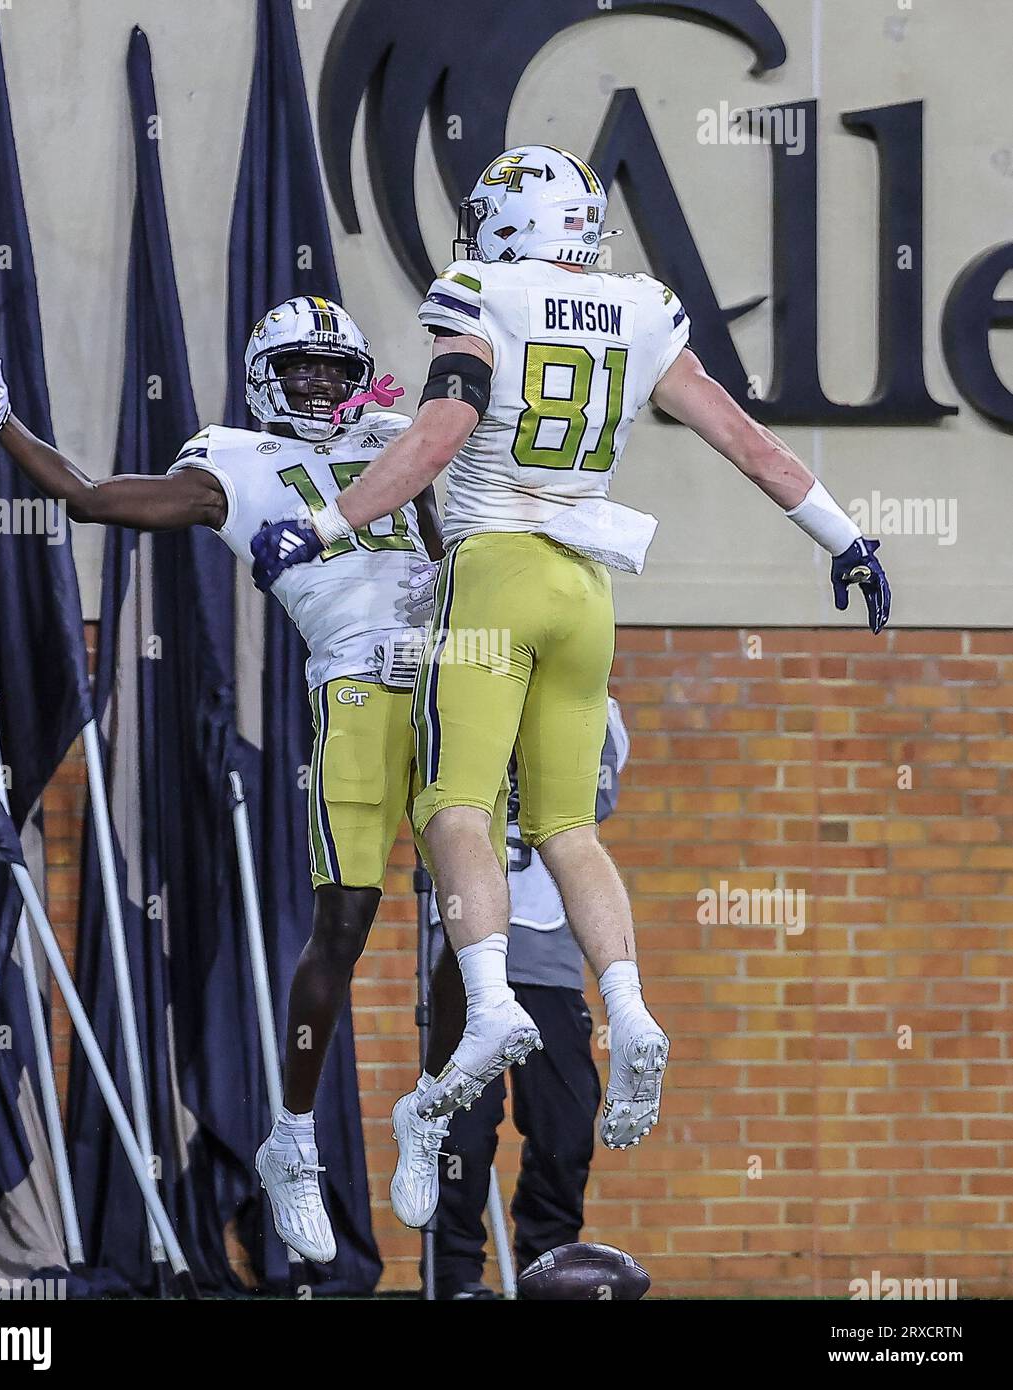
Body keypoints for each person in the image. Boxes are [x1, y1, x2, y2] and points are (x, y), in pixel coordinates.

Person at [197, 146, 893, 1219]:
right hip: (590, 589)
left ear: (501, 228)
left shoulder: (486, 291)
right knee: (569, 826)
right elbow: (750, 444)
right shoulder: (639, 305)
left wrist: (329, 520)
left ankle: (485, 1006)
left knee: (455, 803)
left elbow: (441, 433)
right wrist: (845, 537)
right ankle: (633, 1004)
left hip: (499, 568)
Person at [0, 296, 472, 1266]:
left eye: (334, 367)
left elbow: (449, 547)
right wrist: (6, 426)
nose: (319, 383)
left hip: (450, 687)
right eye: (300, 367)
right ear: (264, 376)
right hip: (357, 687)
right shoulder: (232, 462)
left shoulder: (398, 437)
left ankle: (431, 1107)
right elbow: (98, 497)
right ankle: (295, 1141)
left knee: (473, 918)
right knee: (345, 920)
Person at [428, 699, 629, 1299]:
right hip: (466, 956)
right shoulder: (456, 687)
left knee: (565, 1128)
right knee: (460, 1132)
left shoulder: (591, 702)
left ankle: (551, 1273)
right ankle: (456, 1278)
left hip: (552, 957)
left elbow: (592, 803)